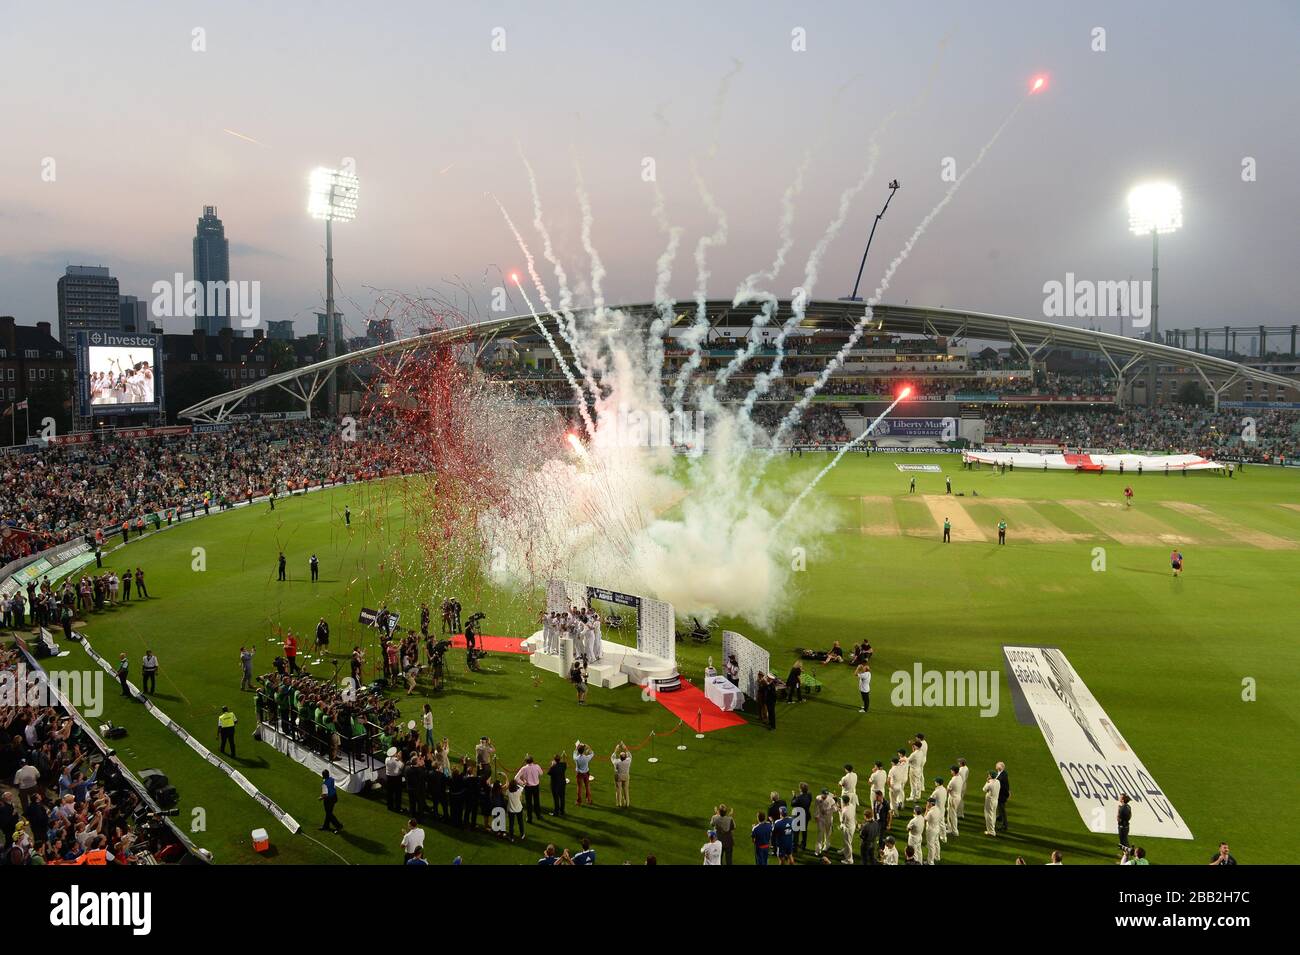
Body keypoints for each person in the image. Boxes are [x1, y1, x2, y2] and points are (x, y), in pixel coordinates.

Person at [516, 755, 544, 823]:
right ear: (533, 760)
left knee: (529, 803)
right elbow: (541, 773)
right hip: (536, 786)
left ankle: (529, 818)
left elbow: (516, 778)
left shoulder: (524, 768)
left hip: (528, 787)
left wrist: (523, 783)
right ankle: (538, 815)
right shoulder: (537, 766)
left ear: (526, 761)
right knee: (537, 801)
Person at [813, 788, 836, 857]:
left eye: (826, 794)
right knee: (820, 833)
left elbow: (835, 808)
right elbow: (816, 807)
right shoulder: (818, 798)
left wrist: (827, 811)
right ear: (821, 793)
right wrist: (816, 815)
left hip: (828, 818)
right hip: (820, 818)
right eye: (824, 794)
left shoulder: (831, 800)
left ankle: (826, 845)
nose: (825, 795)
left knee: (827, 832)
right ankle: (818, 850)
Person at [790, 783, 813, 853]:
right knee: (804, 831)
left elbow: (792, 804)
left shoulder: (799, 798)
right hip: (806, 815)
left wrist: (794, 796)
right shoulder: (809, 795)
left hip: (798, 816)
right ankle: (803, 845)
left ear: (800, 789)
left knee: (796, 832)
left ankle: (794, 848)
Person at [573, 741, 593, 805]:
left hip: (579, 774)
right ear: (583, 751)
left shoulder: (576, 758)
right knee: (587, 786)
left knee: (579, 788)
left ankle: (579, 801)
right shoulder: (586, 758)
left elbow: (574, 753)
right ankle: (588, 800)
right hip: (586, 773)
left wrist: (577, 747)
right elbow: (592, 753)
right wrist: (588, 746)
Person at [547, 752, 568, 817]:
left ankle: (556, 812)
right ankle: (562, 811)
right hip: (562, 784)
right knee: (562, 798)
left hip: (555, 785)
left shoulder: (553, 767)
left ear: (554, 760)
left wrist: (552, 765)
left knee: (556, 798)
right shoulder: (564, 765)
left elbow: (549, 773)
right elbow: (564, 764)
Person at [924, 797, 943, 864]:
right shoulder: (938, 809)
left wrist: (926, 810)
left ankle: (930, 862)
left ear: (931, 804)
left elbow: (925, 819)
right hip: (937, 828)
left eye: (928, 803)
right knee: (936, 842)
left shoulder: (930, 812)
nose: (927, 804)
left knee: (931, 846)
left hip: (931, 830)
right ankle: (937, 856)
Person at [838, 796, 856, 865]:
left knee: (848, 843)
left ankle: (849, 860)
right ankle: (845, 850)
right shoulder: (851, 805)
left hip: (848, 828)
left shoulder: (845, 811)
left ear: (843, 802)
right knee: (848, 842)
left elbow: (842, 821)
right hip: (852, 825)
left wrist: (839, 812)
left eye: (842, 800)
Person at [983, 771, 1001, 836]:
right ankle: (992, 828)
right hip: (995, 800)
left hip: (990, 801)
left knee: (988, 815)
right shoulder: (998, 781)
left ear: (991, 776)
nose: (988, 775)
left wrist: (987, 782)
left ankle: (991, 831)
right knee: (993, 814)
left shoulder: (989, 783)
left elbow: (984, 789)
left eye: (989, 774)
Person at [946, 766, 962, 838]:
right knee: (950, 813)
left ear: (953, 771)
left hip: (953, 798)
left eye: (951, 770)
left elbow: (948, 790)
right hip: (957, 797)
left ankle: (955, 831)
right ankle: (950, 827)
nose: (950, 771)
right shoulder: (960, 777)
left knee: (952, 815)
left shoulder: (953, 781)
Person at [995, 761, 1010, 832]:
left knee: (1002, 809)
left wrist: (1007, 794)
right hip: (1001, 794)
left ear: (1000, 767)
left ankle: (1005, 825)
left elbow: (1004, 787)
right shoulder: (1003, 773)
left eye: (997, 765)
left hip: (1002, 795)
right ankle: (1000, 817)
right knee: (1000, 807)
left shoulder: (1002, 776)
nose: (996, 766)